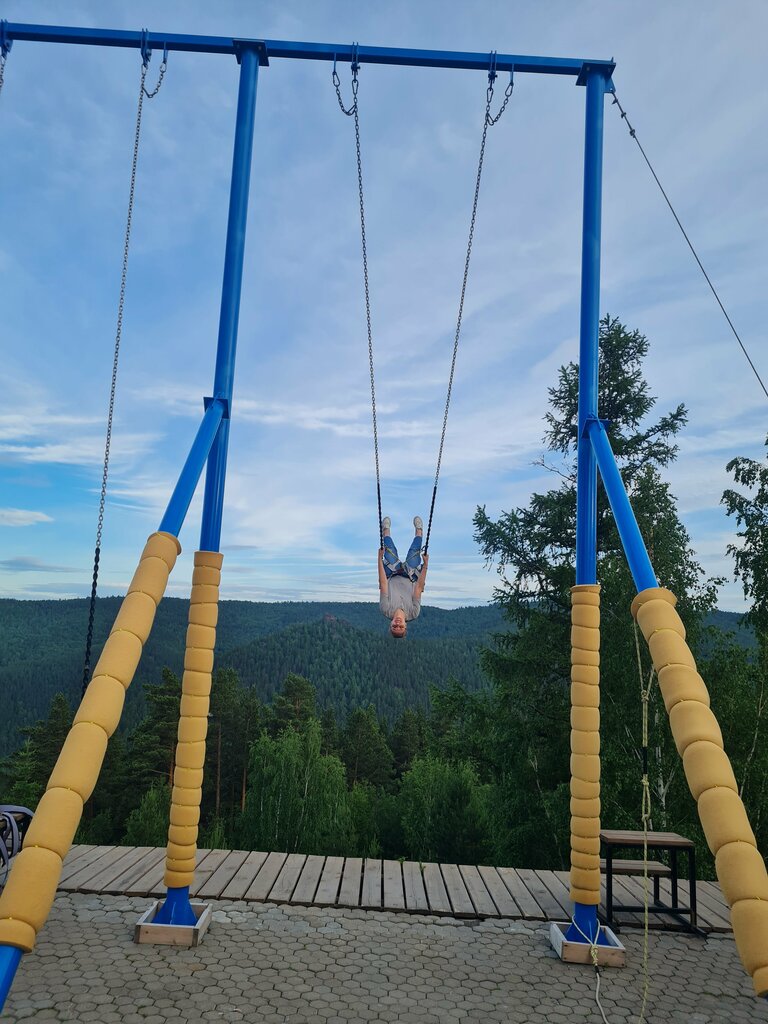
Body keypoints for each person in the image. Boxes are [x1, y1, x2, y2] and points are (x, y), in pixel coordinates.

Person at [378, 515, 429, 638]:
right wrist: (426, 565)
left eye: (394, 627)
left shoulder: (385, 609)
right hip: (410, 575)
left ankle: (385, 529)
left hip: (391, 573)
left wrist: (379, 559)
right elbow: (418, 588)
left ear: (390, 625)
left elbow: (383, 583)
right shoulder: (413, 613)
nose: (397, 624)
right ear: (406, 626)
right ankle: (419, 531)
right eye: (400, 627)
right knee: (414, 552)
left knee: (390, 550)